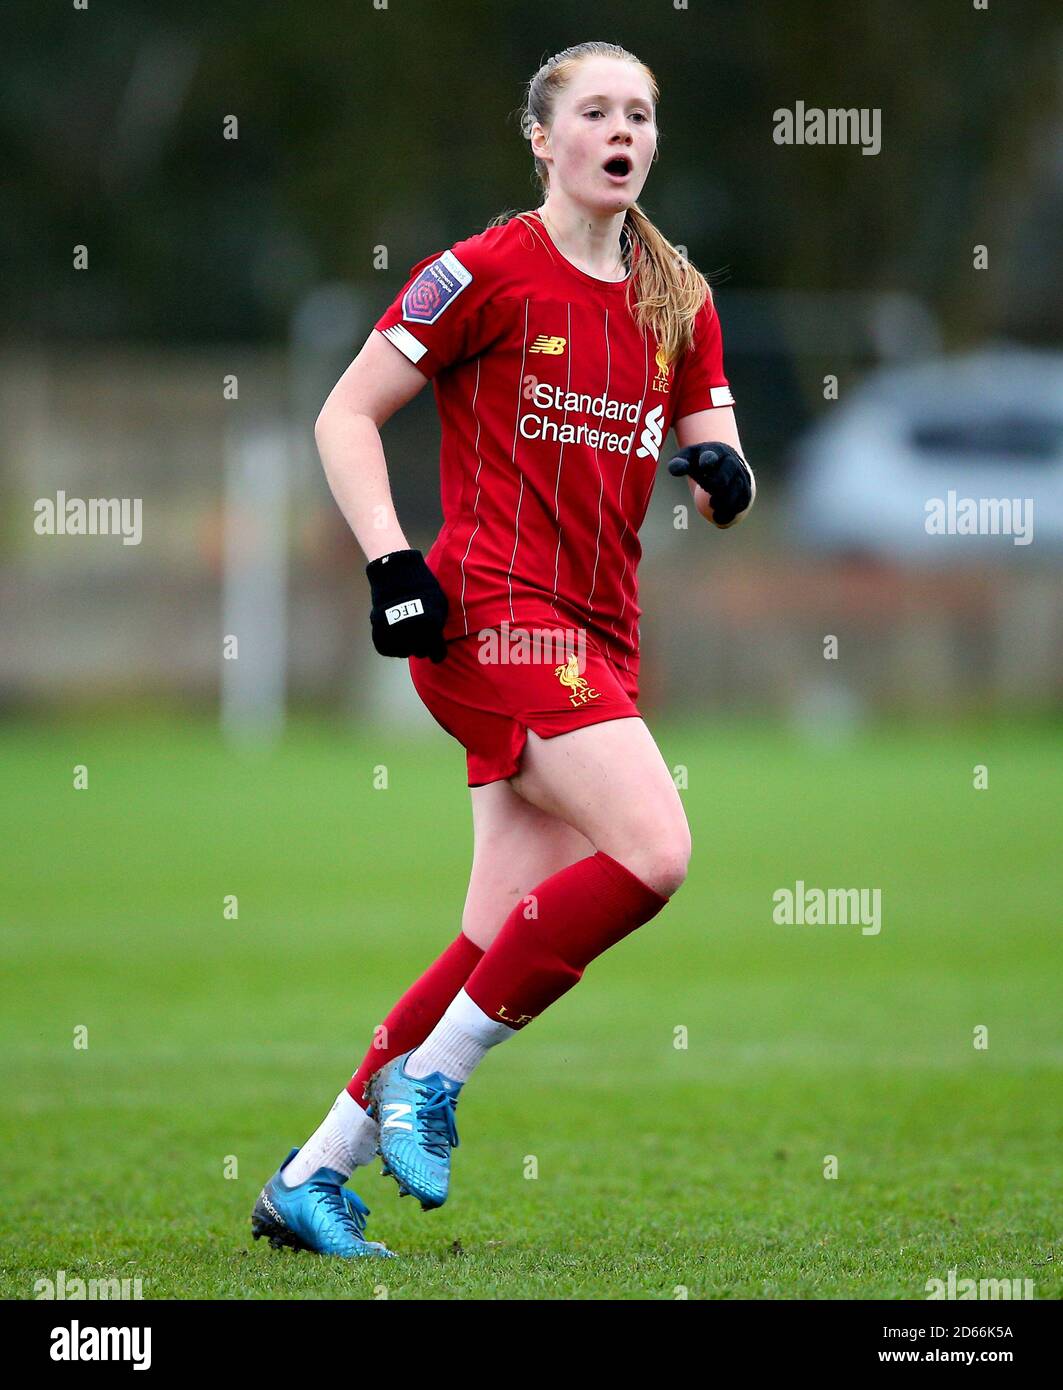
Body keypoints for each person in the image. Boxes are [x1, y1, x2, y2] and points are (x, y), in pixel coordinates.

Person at [251, 40, 754, 1260]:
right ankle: (432, 1077)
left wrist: (725, 478)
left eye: (640, 111)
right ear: (543, 139)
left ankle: (309, 1176)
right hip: (488, 613)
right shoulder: (482, 270)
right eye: (594, 110)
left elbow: (716, 448)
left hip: (600, 634)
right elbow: (344, 414)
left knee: (497, 932)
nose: (621, 129)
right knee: (657, 847)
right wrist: (389, 562)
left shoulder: (676, 295)